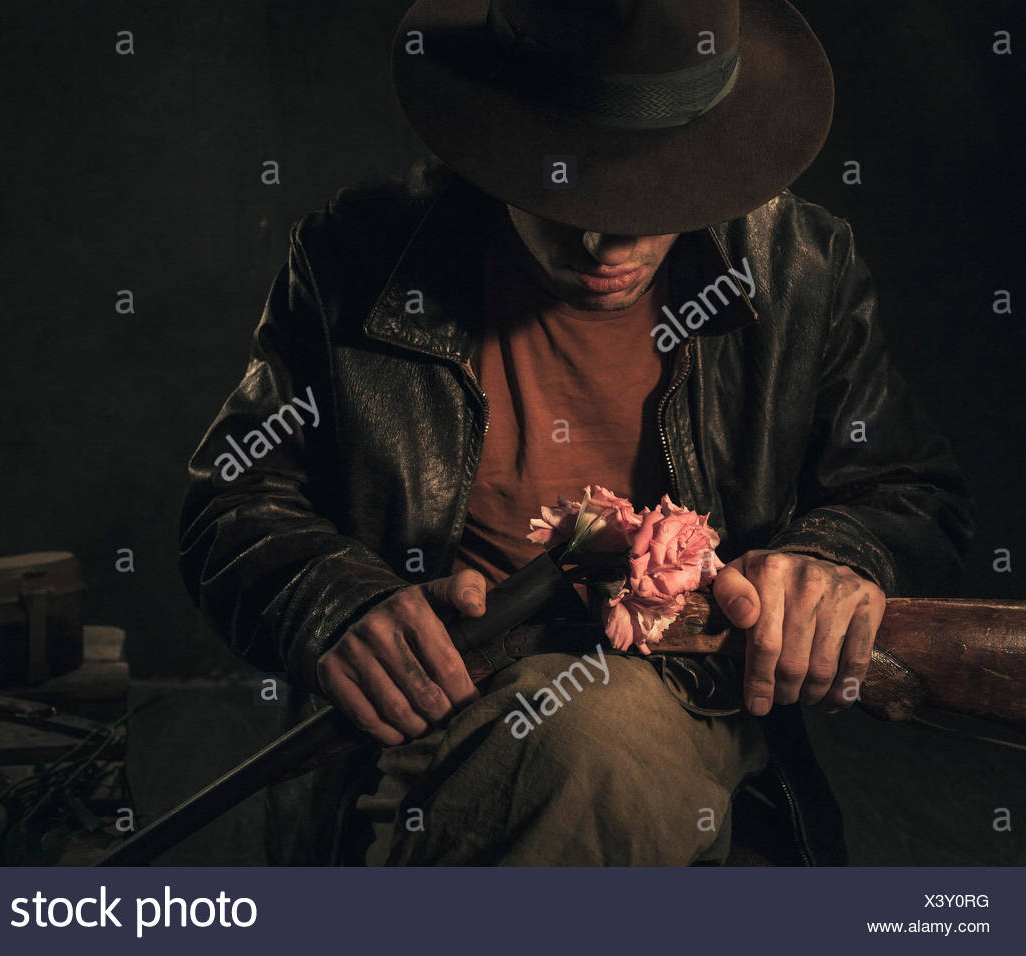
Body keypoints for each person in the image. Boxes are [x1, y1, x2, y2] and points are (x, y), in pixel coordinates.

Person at [179, 0, 974, 865]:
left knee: (591, 741)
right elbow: (233, 497)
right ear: (500, 142)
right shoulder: (352, 261)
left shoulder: (801, 271)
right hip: (421, 722)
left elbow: (908, 491)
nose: (607, 242)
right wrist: (331, 600)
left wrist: (839, 556)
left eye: (654, 195)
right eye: (570, 194)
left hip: (681, 706)